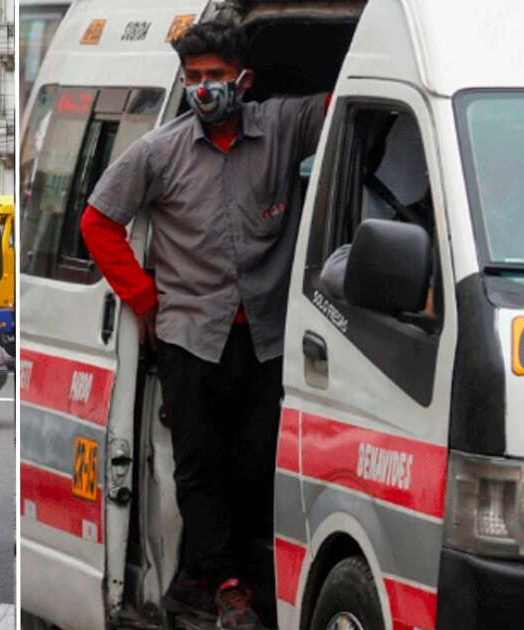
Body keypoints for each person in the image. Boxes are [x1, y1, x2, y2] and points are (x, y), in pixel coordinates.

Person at [79, 22, 328, 629]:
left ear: (244, 79)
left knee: (254, 464)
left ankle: (240, 574)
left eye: (215, 77)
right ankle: (228, 584)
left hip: (266, 336)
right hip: (189, 338)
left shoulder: (283, 127)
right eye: (193, 78)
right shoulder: (160, 151)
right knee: (198, 468)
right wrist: (144, 300)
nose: (204, 89)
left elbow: (345, 106)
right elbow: (97, 224)